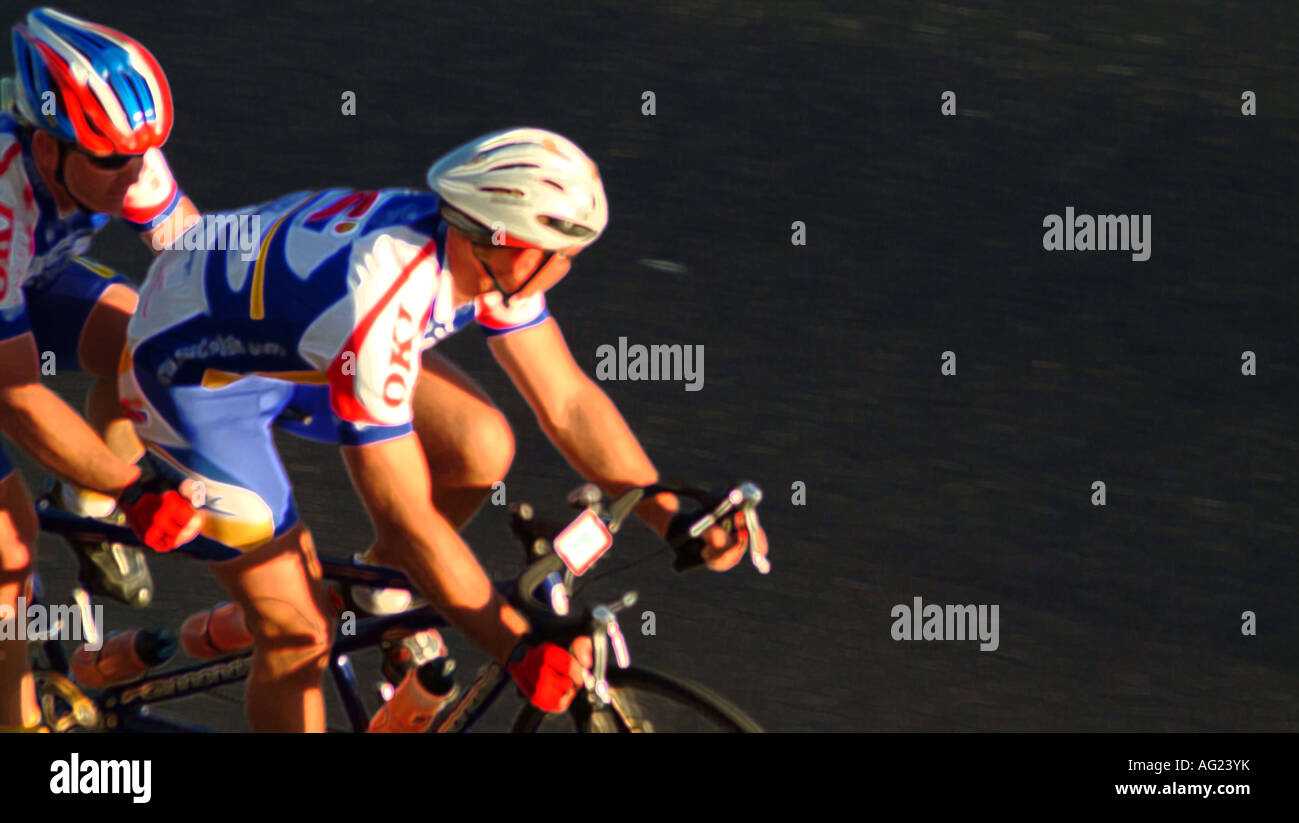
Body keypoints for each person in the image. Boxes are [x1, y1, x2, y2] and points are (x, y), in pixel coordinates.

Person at [119, 127, 766, 731]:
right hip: (190, 378)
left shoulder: (476, 246)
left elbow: (567, 399)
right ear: (504, 242)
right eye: (562, 254)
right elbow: (403, 513)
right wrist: (515, 644)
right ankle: (297, 613)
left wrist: (669, 512)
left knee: (481, 445)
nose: (569, 268)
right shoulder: (385, 296)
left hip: (294, 342)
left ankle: (371, 597)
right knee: (300, 634)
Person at [0, 8, 203, 732]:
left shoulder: (123, 150)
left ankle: (85, 510)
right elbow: (17, 396)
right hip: (7, 280)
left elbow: (201, 275)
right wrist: (138, 483)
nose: (137, 175)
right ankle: (17, 719)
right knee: (10, 544)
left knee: (150, 343)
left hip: (30, 273)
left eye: (145, 155)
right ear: (48, 148)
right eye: (114, 163)